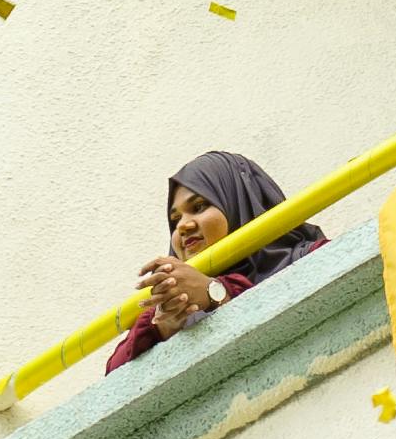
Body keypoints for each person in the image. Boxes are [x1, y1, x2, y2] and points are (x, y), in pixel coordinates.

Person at [105, 152, 327, 370]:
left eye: (199, 207)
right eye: (175, 220)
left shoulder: (312, 259)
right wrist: (165, 325)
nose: (183, 225)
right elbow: (111, 385)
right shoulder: (175, 305)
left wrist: (216, 293)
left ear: (239, 202)